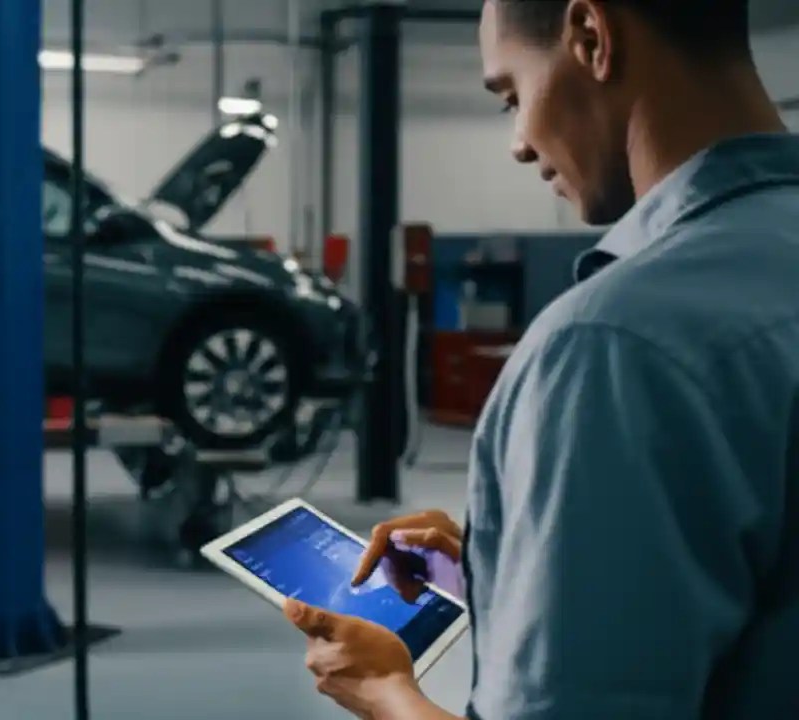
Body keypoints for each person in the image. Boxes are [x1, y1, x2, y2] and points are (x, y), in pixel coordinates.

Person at [285, 0, 799, 718]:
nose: (520, 144)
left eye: (511, 97)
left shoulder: (609, 345)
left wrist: (386, 692)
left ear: (591, 37)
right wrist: (515, 565)